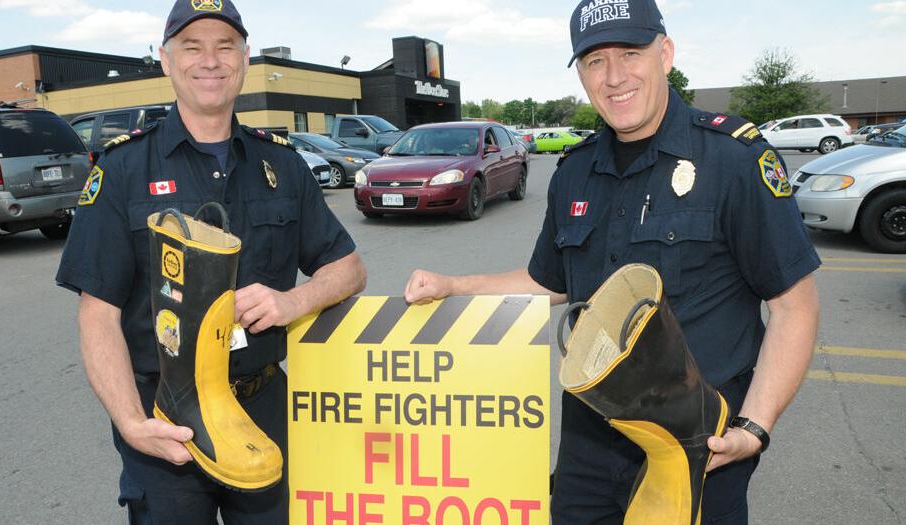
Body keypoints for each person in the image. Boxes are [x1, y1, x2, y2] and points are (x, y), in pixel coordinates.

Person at [403, 0, 819, 523]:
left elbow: (793, 306)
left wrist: (755, 426)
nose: (614, 76)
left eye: (630, 53)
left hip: (697, 441)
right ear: (581, 73)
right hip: (591, 437)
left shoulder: (733, 160)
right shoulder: (574, 172)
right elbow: (548, 280)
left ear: (664, 54)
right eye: (595, 61)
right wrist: (454, 285)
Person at [55, 1, 366, 522]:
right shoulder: (123, 169)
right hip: (166, 416)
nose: (210, 60)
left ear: (244, 59)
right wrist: (132, 423)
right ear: (165, 59)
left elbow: (348, 268)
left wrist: (293, 301)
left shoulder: (283, 166)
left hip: (261, 408)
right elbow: (97, 313)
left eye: (225, 46)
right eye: (192, 46)